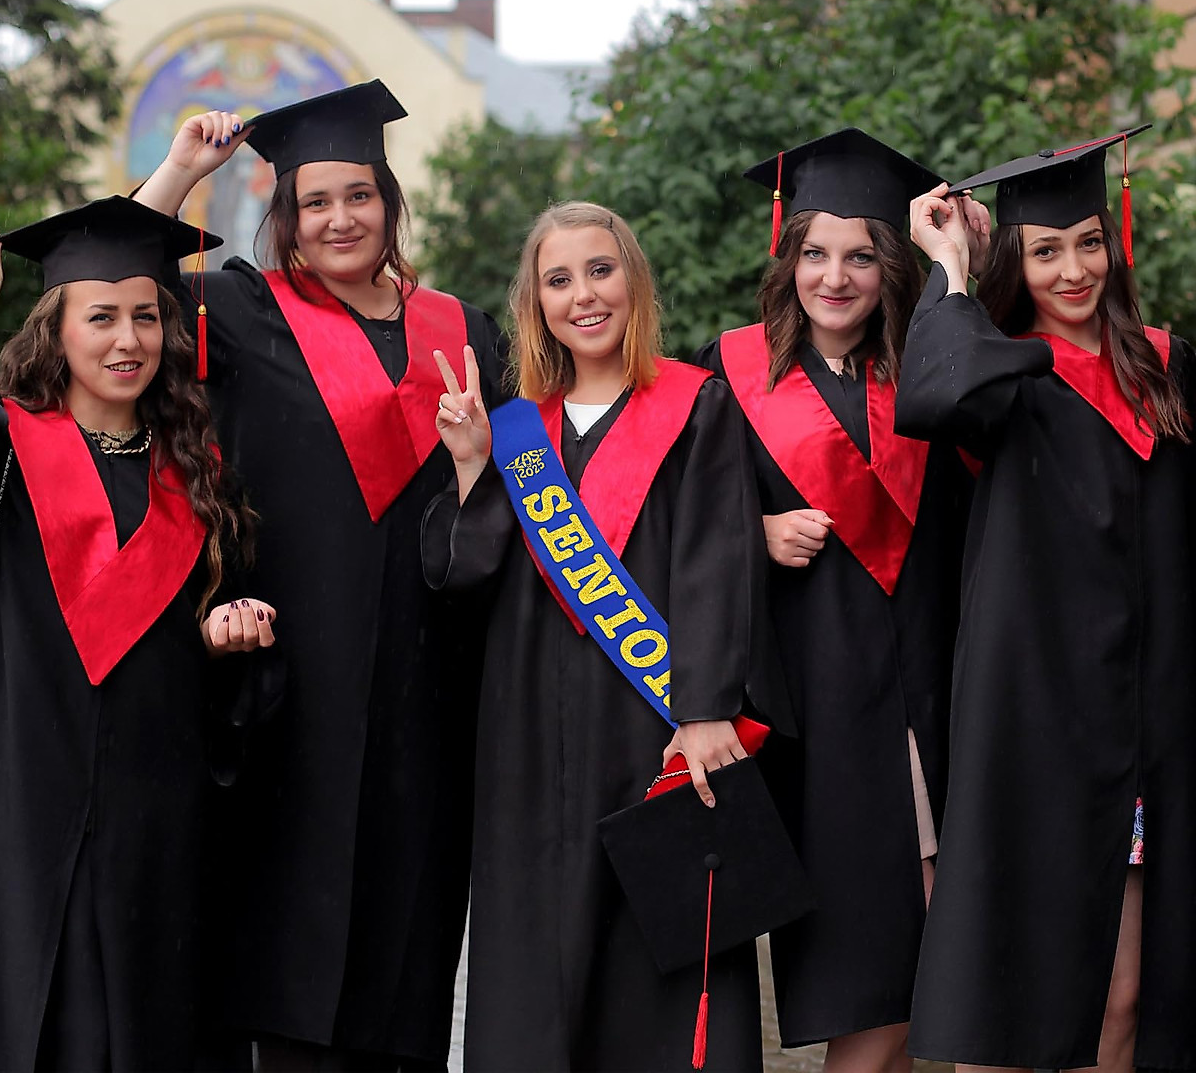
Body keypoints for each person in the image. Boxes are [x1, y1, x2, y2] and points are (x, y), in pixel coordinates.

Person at [132, 81, 505, 1070]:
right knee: (288, 955)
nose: (340, 219)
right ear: (285, 217)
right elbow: (121, 289)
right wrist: (181, 172)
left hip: (429, 689)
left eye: (360, 196)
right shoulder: (240, 313)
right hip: (287, 684)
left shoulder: (462, 334)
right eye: (315, 202)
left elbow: (536, 482)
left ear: (389, 202)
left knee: (410, 948)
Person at [422, 201, 768, 1072]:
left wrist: (704, 708)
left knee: (655, 954)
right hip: (527, 734)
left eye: (601, 270)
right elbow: (468, 577)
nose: (584, 295)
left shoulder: (698, 409)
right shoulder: (513, 431)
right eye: (559, 279)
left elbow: (717, 564)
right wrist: (470, 465)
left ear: (633, 281)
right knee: (535, 961)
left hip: (654, 727)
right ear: (535, 303)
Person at [896, 130, 1196, 1073]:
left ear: (1116, 243)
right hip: (1036, 730)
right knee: (1014, 992)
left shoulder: (1165, 366)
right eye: (1046, 249)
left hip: (1149, 727)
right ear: (1014, 264)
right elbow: (930, 394)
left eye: (1089, 242)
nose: (1074, 269)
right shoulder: (998, 375)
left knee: (1125, 997)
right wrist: (950, 265)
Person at [694, 129, 976, 1072]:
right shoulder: (728, 375)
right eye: (815, 253)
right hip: (810, 711)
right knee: (872, 962)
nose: (836, 277)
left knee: (925, 958)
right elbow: (674, 528)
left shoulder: (929, 372)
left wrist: (957, 262)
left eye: (861, 255)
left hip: (926, 693)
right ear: (788, 258)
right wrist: (756, 535)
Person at [0, 197, 273, 1071]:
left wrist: (232, 641)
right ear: (57, 329)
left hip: (166, 811)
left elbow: (228, 669)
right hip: (30, 802)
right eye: (102, 317)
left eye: (146, 316)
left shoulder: (198, 468)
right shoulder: (8, 448)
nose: (128, 340)